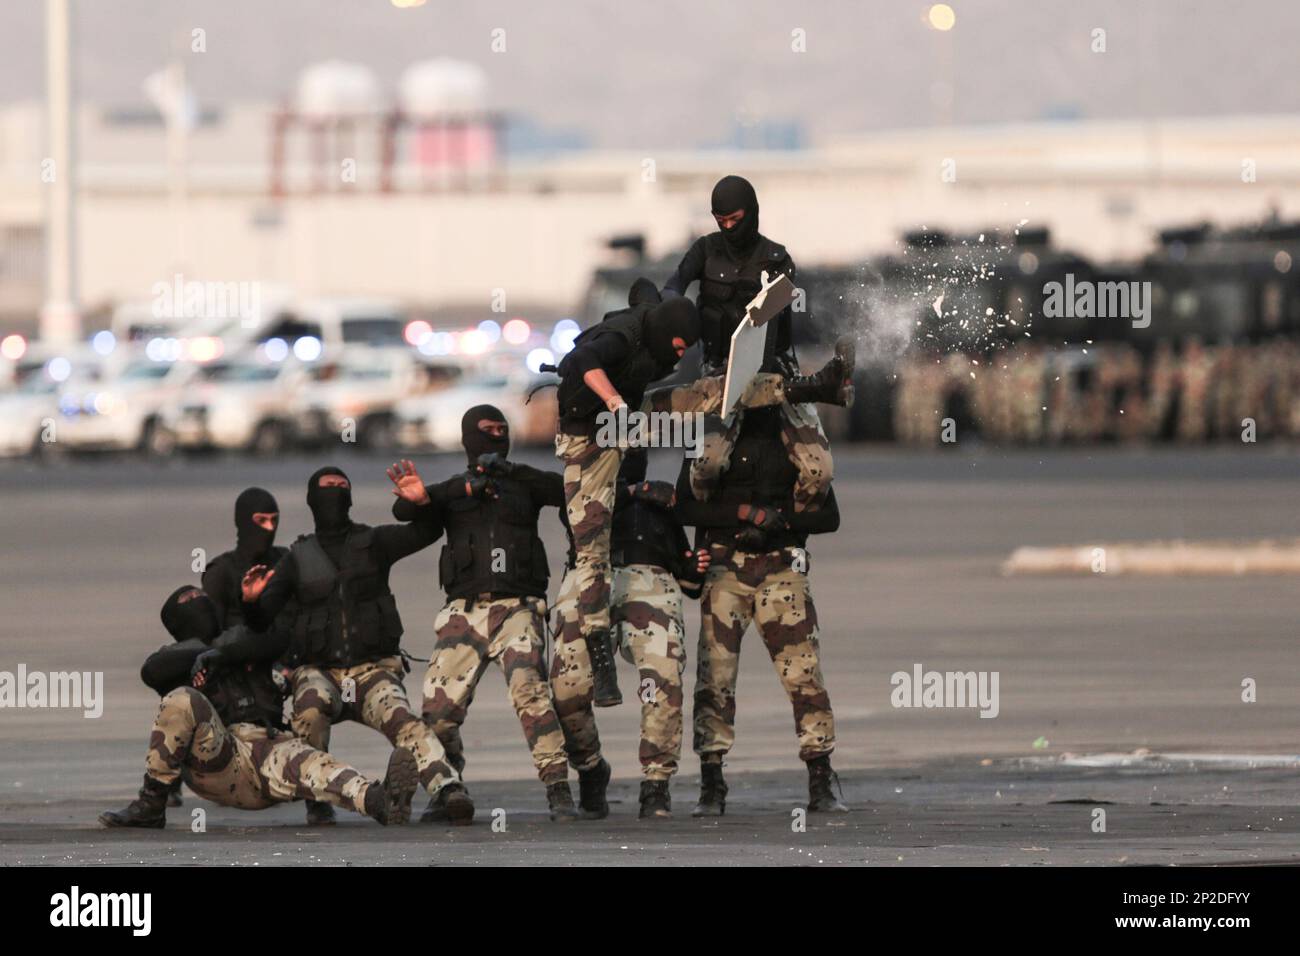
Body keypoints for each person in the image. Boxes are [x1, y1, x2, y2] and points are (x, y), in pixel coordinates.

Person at [240, 464, 472, 826]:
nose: (334, 490)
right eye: (327, 486)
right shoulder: (295, 560)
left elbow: (426, 532)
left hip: (372, 671)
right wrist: (251, 601)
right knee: (310, 713)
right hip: (320, 673)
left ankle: (448, 789)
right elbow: (260, 621)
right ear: (313, 499)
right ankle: (317, 797)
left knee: (405, 722)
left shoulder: (374, 542)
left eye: (341, 485)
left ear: (349, 496)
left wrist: (423, 503)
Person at [392, 407, 579, 821]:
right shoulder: (454, 492)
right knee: (437, 714)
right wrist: (430, 497)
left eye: (502, 431)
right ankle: (449, 788)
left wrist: (510, 472)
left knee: (531, 691)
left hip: (518, 608)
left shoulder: (523, 482)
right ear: (468, 439)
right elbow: (406, 511)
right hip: (465, 612)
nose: (496, 437)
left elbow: (564, 489)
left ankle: (557, 787)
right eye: (487, 432)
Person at [99, 586, 419, 828]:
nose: (200, 602)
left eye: (201, 595)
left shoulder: (242, 643)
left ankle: (378, 801)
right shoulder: (174, 657)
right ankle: (151, 803)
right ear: (175, 621)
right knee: (181, 700)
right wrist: (205, 654)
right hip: (222, 760)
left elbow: (278, 639)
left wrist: (226, 653)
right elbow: (151, 671)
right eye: (189, 601)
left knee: (313, 763)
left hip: (269, 749)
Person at [674, 405, 848, 816]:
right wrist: (742, 514)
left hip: (781, 567)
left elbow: (829, 516)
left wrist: (778, 522)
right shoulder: (711, 437)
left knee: (803, 674)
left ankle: (820, 776)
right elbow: (685, 506)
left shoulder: (796, 439)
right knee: (715, 677)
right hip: (724, 565)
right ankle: (711, 781)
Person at [661, 174, 855, 510]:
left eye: (735, 220)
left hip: (774, 372)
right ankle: (719, 535)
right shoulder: (705, 250)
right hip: (717, 377)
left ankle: (785, 533)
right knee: (705, 469)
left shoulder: (777, 260)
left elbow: (765, 326)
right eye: (720, 221)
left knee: (818, 472)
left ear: (751, 214)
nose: (728, 228)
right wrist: (666, 310)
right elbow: (674, 284)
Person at [554, 447, 710, 819]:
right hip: (590, 579)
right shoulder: (589, 488)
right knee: (567, 688)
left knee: (662, 680)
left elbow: (688, 580)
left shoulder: (662, 504)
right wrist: (635, 492)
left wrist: (694, 567)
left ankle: (656, 783)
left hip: (650, 582)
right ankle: (590, 767)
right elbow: (570, 514)